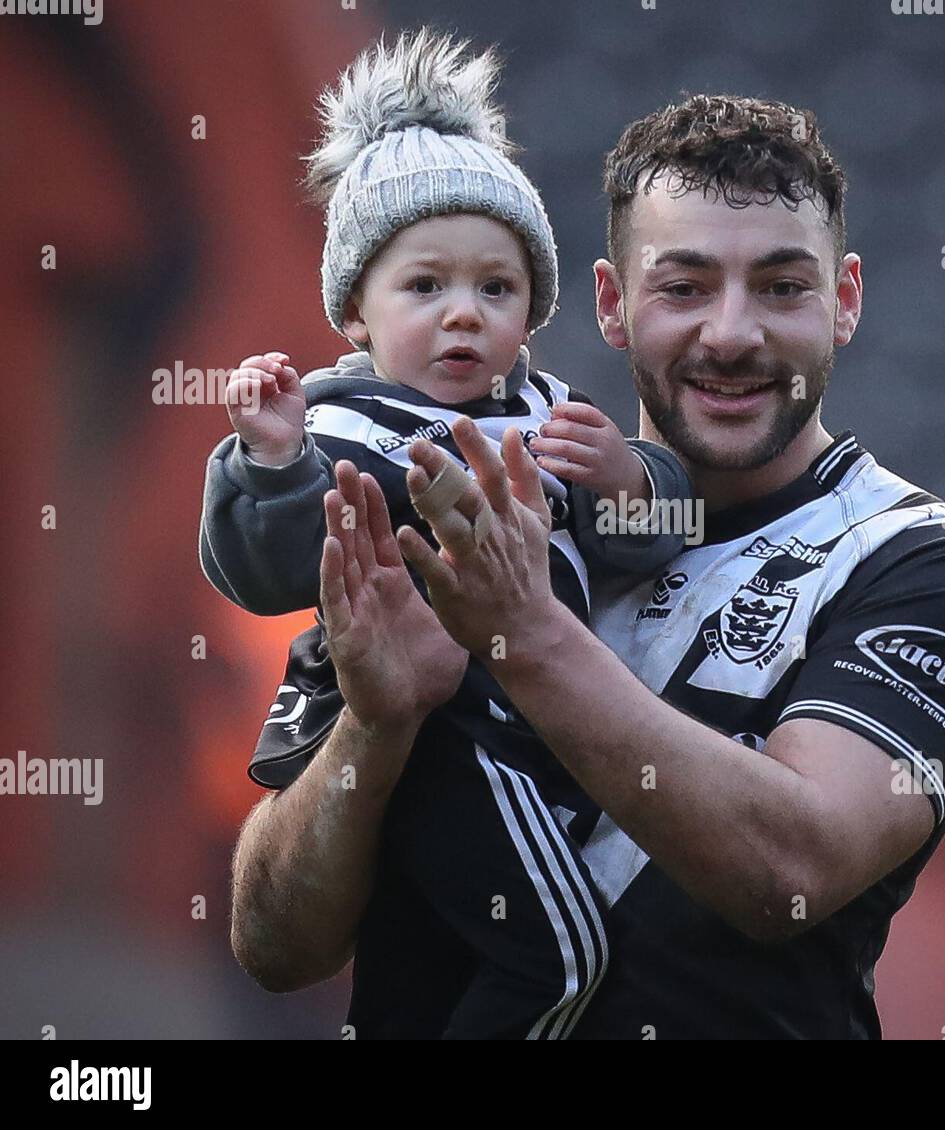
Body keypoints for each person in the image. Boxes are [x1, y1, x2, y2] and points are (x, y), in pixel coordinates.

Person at [230, 92, 945, 1040]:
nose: (732, 333)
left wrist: (523, 633)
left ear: (844, 300)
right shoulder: (450, 507)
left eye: (782, 286)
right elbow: (276, 947)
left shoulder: (926, 562)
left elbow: (793, 873)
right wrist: (375, 724)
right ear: (611, 303)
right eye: (683, 286)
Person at [203, 28, 692, 1039]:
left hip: (542, 733)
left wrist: (628, 477)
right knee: (565, 953)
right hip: (436, 738)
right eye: (426, 286)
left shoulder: (552, 417)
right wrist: (270, 462)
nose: (463, 315)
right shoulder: (337, 424)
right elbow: (260, 570)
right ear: (355, 311)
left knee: (429, 968)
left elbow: (659, 538)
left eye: (496, 288)